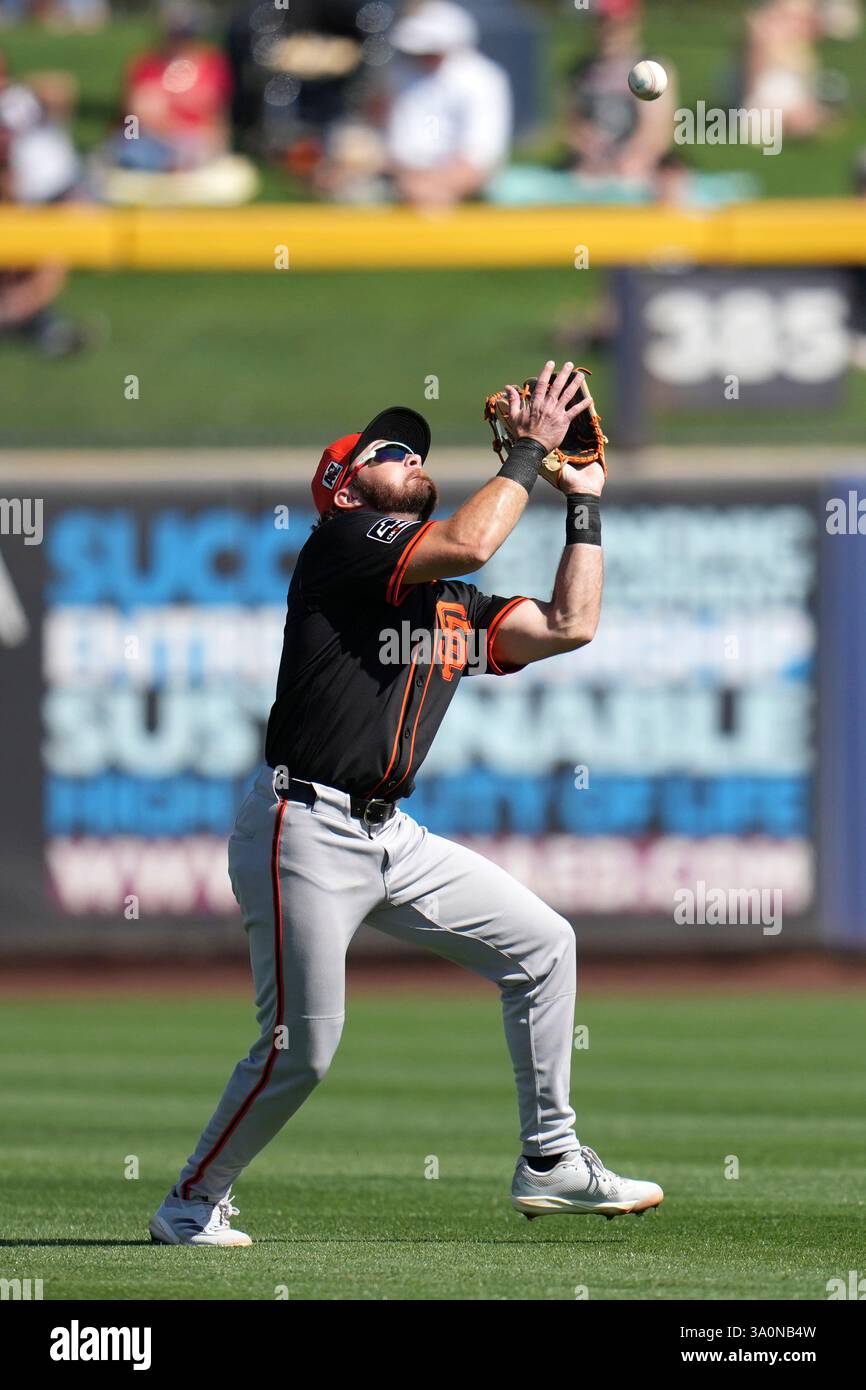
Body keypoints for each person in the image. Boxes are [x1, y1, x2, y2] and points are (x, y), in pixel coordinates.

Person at [148, 362, 664, 1246]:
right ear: (345, 487)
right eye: (393, 452)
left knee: (544, 943)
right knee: (301, 1050)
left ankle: (550, 1157)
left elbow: (572, 625)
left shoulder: (449, 604)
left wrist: (582, 500)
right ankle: (190, 1202)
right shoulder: (341, 546)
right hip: (300, 827)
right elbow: (468, 541)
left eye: (418, 453)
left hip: (391, 835)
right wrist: (531, 451)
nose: (413, 460)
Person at [384, 0, 512, 209]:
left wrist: (436, 188)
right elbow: (398, 146)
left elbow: (481, 156)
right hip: (408, 180)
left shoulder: (483, 79)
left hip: (465, 186)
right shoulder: (401, 75)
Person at [567, 0, 676, 182]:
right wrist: (591, 152)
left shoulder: (652, 69)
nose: (606, 30)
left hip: (638, 168)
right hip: (591, 167)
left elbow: (657, 132)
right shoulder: (581, 72)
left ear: (632, 22)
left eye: (613, 22)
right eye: (600, 21)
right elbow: (573, 127)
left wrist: (630, 159)